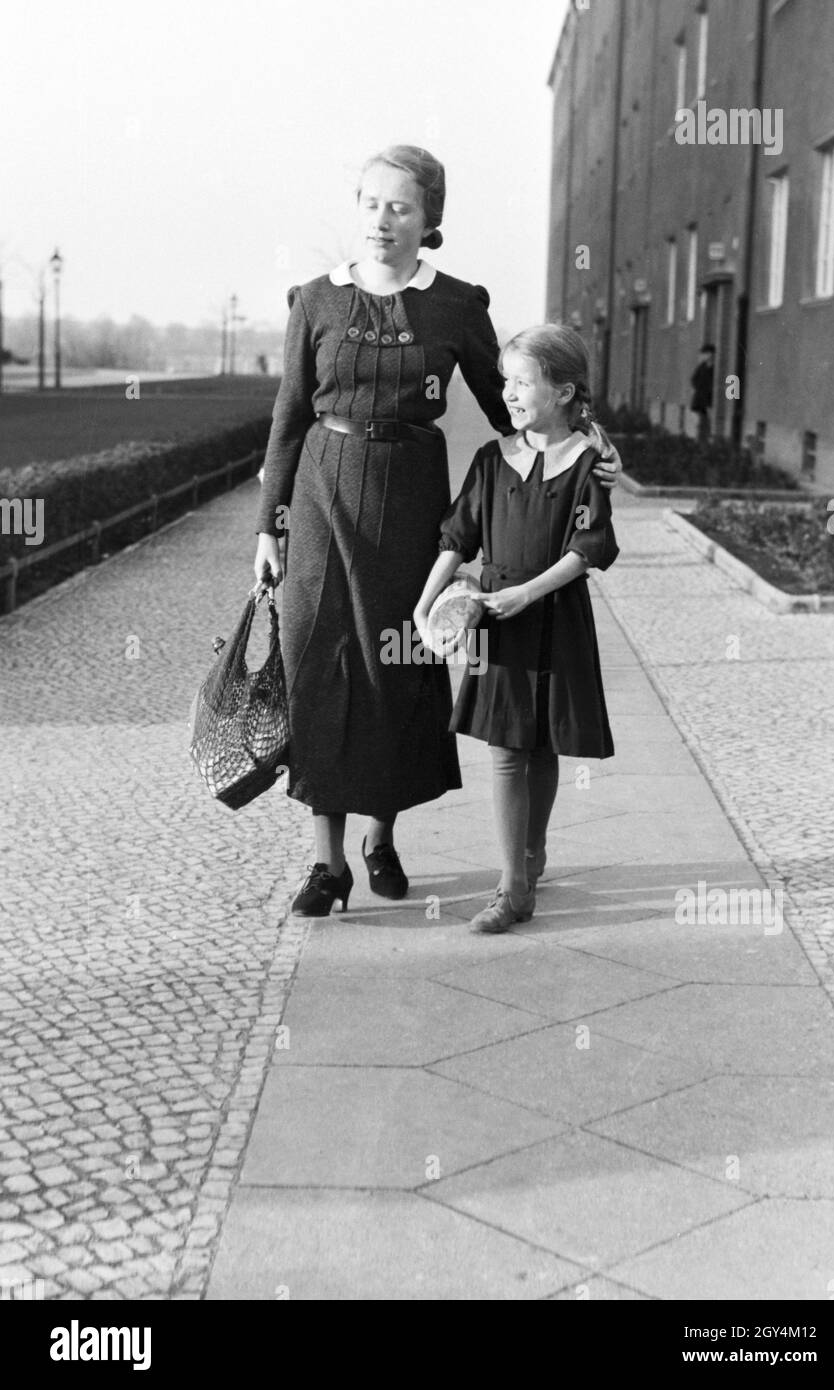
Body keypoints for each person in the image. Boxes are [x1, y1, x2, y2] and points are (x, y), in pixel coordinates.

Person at [253, 145, 622, 917]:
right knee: (319, 664)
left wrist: (588, 450)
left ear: (429, 220)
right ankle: (326, 864)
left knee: (397, 666)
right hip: (322, 492)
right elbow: (288, 418)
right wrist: (269, 528)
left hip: (413, 498)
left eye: (401, 207)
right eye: (371, 204)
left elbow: (511, 407)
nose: (383, 220)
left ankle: (380, 838)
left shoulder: (454, 304)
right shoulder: (314, 301)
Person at [414, 324, 618, 933]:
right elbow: (458, 538)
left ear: (562, 392)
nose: (508, 393)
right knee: (506, 750)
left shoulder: (589, 465)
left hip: (555, 618)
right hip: (499, 627)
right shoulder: (490, 460)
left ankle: (529, 858)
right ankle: (514, 889)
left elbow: (590, 547)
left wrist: (527, 592)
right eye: (506, 381)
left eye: (522, 382)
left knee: (542, 744)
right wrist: (425, 608)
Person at [690, 343, 715, 442]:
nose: (704, 356)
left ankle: (706, 442)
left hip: (710, 400)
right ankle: (701, 441)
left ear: (711, 354)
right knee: (701, 422)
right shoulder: (702, 366)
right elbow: (694, 379)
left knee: (708, 423)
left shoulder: (715, 368)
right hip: (700, 400)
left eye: (706, 353)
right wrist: (700, 389)